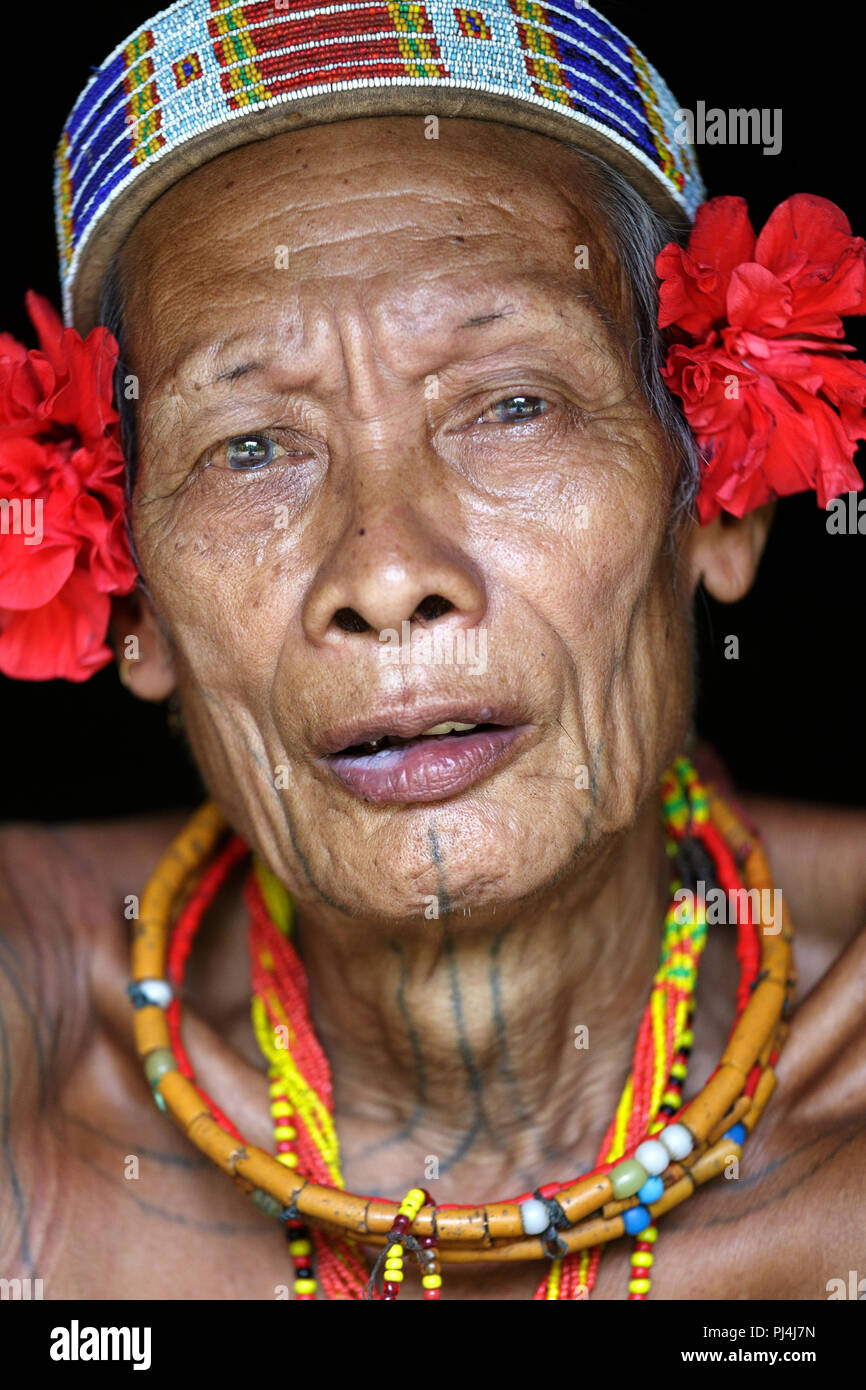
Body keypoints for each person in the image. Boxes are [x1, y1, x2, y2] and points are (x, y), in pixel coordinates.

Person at [1, 0, 864, 1302]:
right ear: (132, 602)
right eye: (250, 446)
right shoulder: (43, 1085)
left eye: (510, 404)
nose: (387, 571)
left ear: (719, 491)